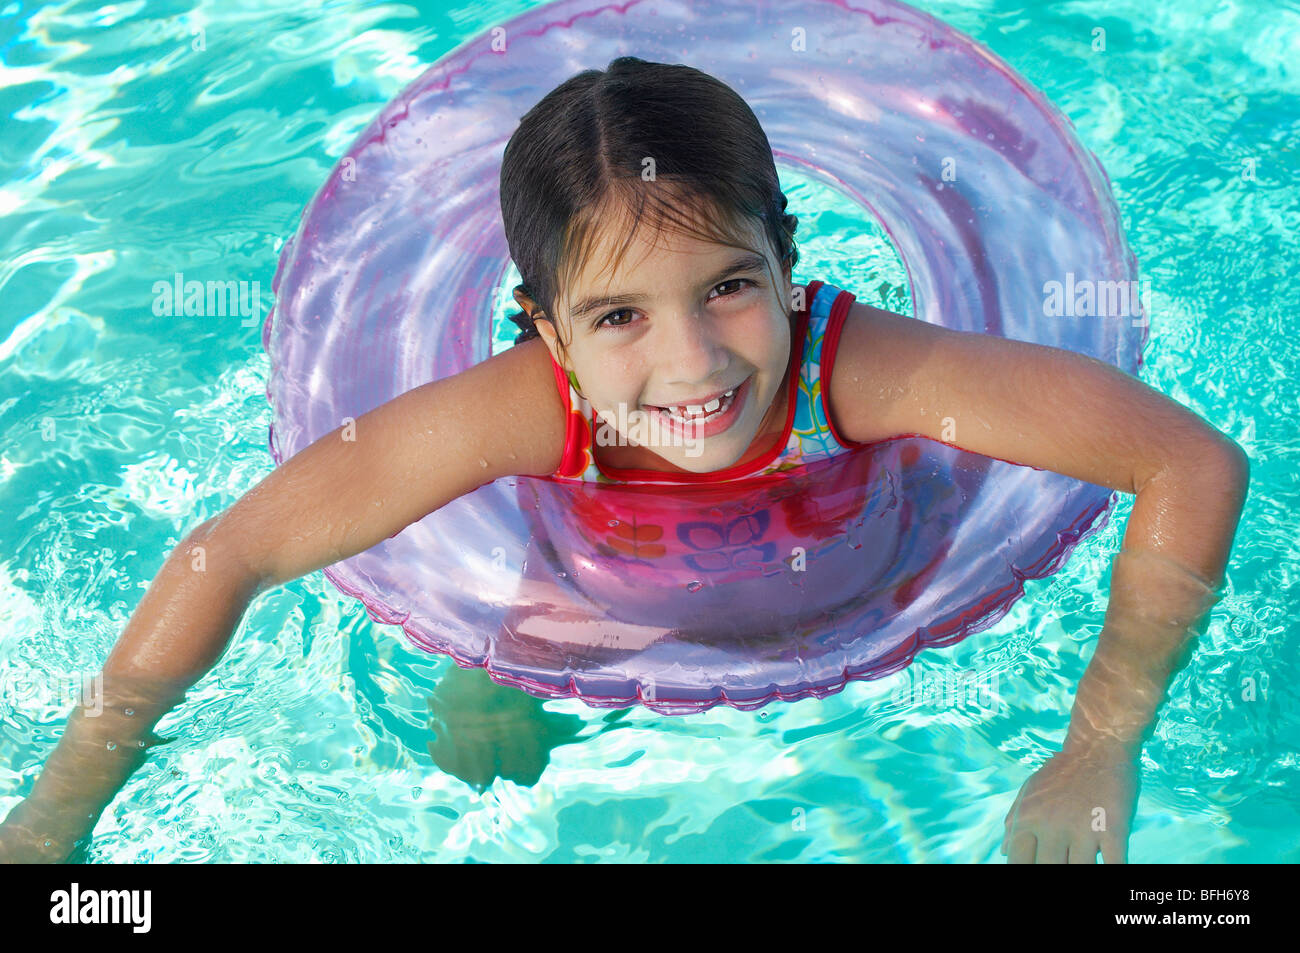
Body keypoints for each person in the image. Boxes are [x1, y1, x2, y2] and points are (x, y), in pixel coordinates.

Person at [0, 57, 1248, 864]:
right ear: (544, 327)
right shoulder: (527, 406)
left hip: (882, 576)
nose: (694, 363)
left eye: (727, 287)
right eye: (618, 316)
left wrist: (1100, 740)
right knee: (472, 754)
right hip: (585, 610)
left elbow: (1189, 462)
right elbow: (232, 549)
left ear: (786, 257)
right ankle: (492, 671)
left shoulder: (857, 368)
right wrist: (60, 810)